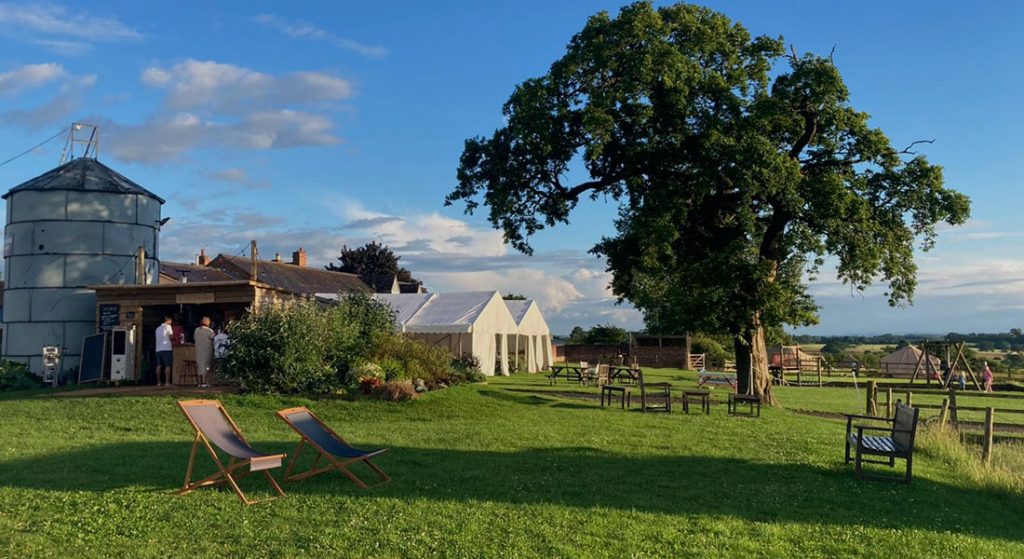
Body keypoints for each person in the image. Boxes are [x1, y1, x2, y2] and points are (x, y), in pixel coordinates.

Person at [194, 316, 215, 388]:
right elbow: (213, 338)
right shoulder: (209, 331)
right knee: (206, 366)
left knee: (200, 366)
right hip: (207, 350)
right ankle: (204, 382)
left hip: (198, 350)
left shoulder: (196, 330)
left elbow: (194, 338)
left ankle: (199, 382)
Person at [155, 316, 174, 387]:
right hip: (166, 348)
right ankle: (167, 382)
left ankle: (158, 382)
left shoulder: (157, 329)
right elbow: (171, 336)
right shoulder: (168, 326)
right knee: (168, 365)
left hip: (158, 349)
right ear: (168, 321)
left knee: (159, 365)